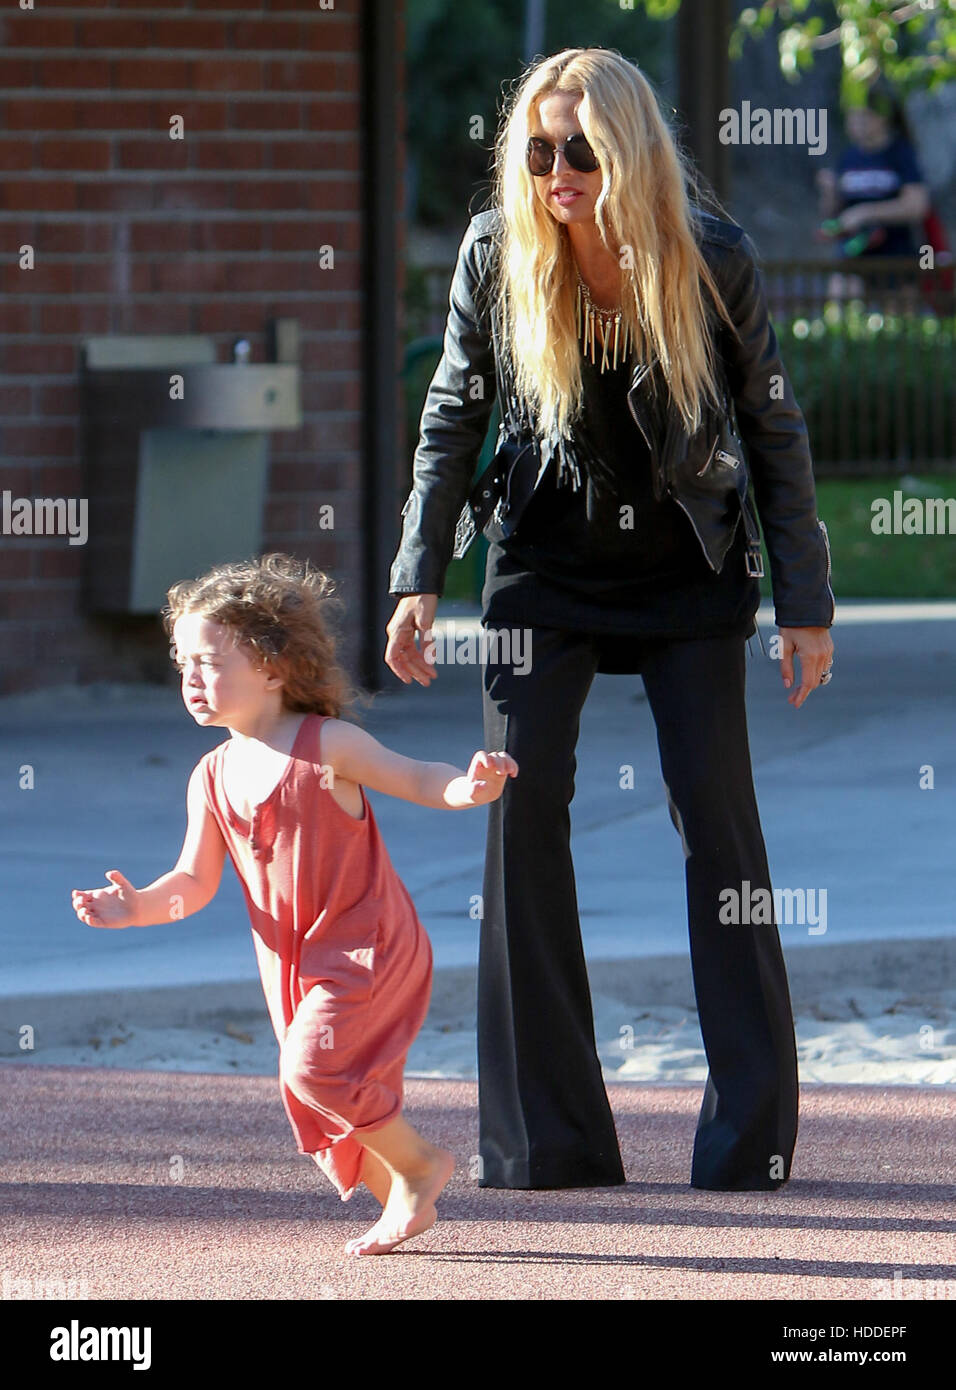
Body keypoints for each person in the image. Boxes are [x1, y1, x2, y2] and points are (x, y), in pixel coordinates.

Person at [386, 48, 835, 1193]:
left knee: (717, 829)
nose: (555, 170)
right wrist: (416, 573)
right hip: (543, 567)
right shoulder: (498, 252)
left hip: (686, 571)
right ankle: (549, 1143)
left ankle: (749, 1140)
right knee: (516, 816)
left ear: (626, 149)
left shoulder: (710, 256)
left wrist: (803, 602)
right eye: (536, 149)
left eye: (578, 148)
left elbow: (770, 429)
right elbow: (453, 413)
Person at [70, 552, 517, 1255]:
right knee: (316, 1091)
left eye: (210, 663)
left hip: (365, 944)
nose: (190, 678)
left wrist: (470, 786)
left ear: (275, 668)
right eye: (183, 661)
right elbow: (193, 881)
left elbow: (417, 777)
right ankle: (403, 1197)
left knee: (315, 1071)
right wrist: (138, 908)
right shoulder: (212, 775)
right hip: (294, 961)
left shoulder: (326, 745)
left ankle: (422, 1167)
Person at [816, 80, 930, 301]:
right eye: (852, 115)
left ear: (882, 117)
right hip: (854, 255)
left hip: (895, 257)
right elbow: (833, 213)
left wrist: (866, 213)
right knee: (842, 305)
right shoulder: (848, 157)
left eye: (863, 115)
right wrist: (830, 192)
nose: (856, 122)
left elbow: (917, 205)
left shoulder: (900, 152)